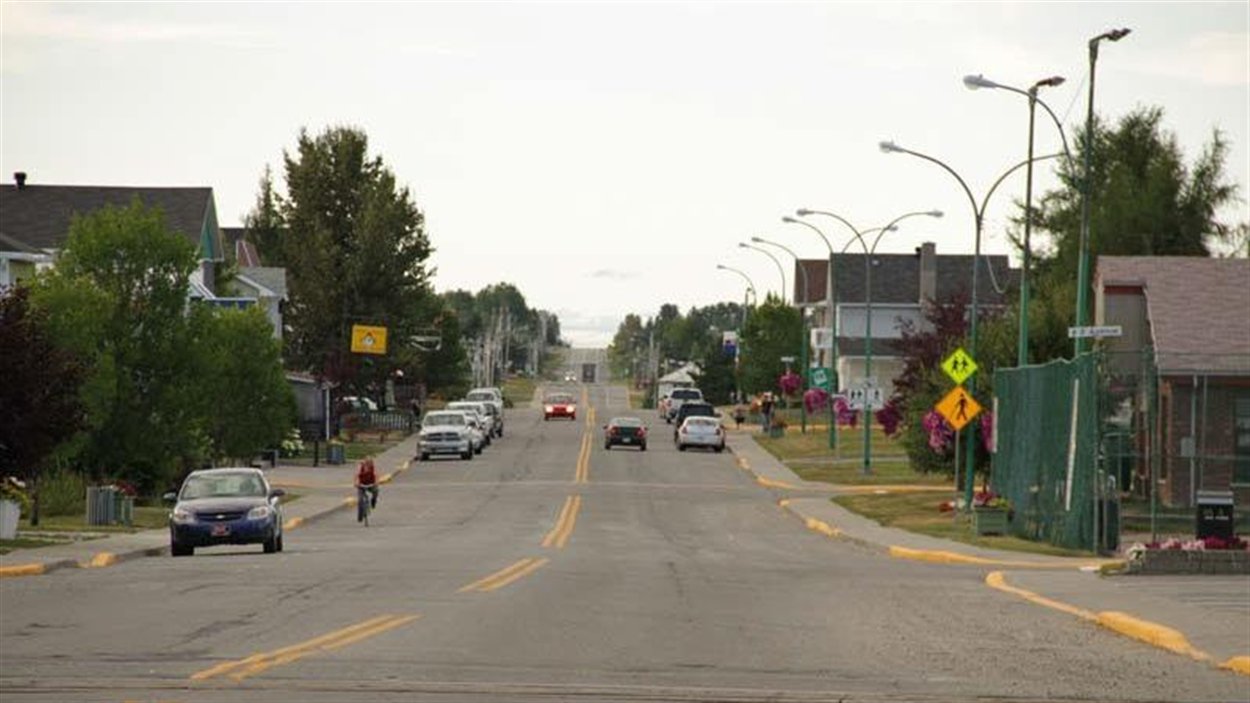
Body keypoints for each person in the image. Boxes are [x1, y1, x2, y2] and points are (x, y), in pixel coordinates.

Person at [355, 456, 379, 520]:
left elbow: (376, 475)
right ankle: (360, 514)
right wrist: (356, 482)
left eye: (369, 463)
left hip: (371, 484)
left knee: (376, 491)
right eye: (367, 463)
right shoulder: (361, 467)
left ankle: (373, 500)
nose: (368, 465)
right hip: (362, 485)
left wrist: (376, 482)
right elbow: (356, 475)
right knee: (360, 499)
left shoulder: (373, 467)